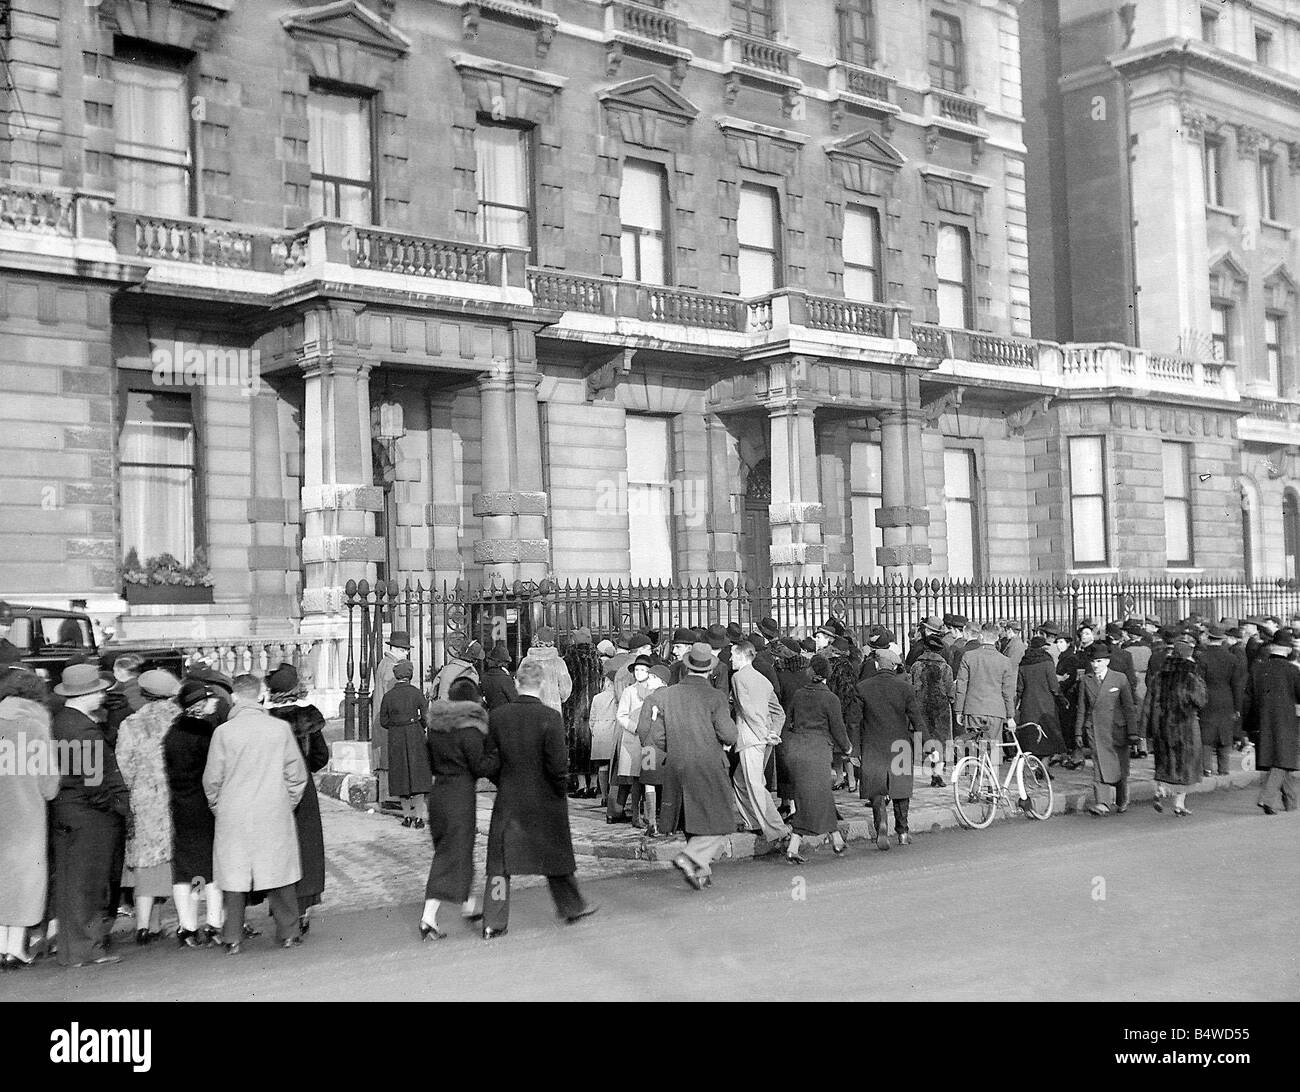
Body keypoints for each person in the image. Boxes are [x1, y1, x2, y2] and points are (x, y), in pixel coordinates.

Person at [479, 660, 598, 938]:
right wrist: (558, 790)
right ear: (542, 684)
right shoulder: (550, 717)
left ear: (517, 683)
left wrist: (504, 781)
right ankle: (571, 906)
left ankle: (493, 923)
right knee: (555, 854)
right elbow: (558, 764)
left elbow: (489, 762)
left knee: (500, 862)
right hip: (544, 797)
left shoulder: (498, 716)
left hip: (509, 796)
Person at [203, 673, 308, 954]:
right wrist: (287, 802)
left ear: (235, 697)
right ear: (260, 694)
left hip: (233, 811)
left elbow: (212, 780)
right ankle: (288, 932)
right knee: (279, 874)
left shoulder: (223, 733)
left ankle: (233, 936)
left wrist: (218, 806)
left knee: (234, 877)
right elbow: (296, 775)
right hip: (273, 808)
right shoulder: (279, 729)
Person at [637, 642, 740, 888]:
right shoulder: (715, 696)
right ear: (708, 670)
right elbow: (729, 735)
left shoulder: (668, 695)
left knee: (690, 818)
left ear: (687, 666)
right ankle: (690, 857)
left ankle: (701, 871)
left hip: (675, 763)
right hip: (707, 763)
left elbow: (658, 738)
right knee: (721, 816)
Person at [50, 663, 129, 967]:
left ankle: (72, 950)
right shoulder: (83, 729)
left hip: (67, 810)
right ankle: (87, 949)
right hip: (91, 817)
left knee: (71, 882)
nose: (103, 695)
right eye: (99, 690)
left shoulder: (60, 722)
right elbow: (94, 782)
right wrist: (114, 806)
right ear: (86, 694)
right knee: (91, 883)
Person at [419, 677, 494, 939]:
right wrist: (498, 758)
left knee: (456, 850)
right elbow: (479, 766)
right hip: (460, 796)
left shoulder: (437, 728)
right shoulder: (471, 729)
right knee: (452, 853)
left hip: (438, 792)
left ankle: (468, 905)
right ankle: (428, 917)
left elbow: (428, 760)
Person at [116, 668, 182, 944]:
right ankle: (177, 921)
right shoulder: (181, 721)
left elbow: (123, 766)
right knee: (175, 862)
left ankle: (144, 924)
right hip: (176, 799)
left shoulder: (130, 724)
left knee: (145, 863)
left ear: (143, 694)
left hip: (143, 802)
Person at [0, 669, 59, 968]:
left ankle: (0, 947)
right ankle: (15, 949)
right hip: (26, 817)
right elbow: (49, 785)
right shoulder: (36, 726)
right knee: (25, 880)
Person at [265, 664, 329, 932]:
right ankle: (302, 909)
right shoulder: (307, 717)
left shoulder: (266, 718)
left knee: (280, 849)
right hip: (303, 789)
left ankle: (282, 908)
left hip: (272, 787)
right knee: (306, 847)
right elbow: (320, 757)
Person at [164, 678, 223, 947]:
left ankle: (187, 924)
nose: (214, 702)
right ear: (199, 704)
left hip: (180, 805)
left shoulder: (172, 734)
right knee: (208, 867)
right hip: (204, 806)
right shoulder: (207, 735)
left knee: (186, 866)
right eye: (209, 699)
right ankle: (213, 921)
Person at [783, 655, 851, 863]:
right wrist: (848, 748)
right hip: (818, 751)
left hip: (796, 750)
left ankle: (836, 840)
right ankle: (794, 847)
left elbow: (789, 721)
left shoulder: (799, 694)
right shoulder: (831, 698)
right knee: (817, 796)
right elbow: (838, 729)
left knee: (812, 795)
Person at [855, 649, 924, 849]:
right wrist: (927, 745)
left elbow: (854, 720)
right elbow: (917, 719)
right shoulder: (905, 688)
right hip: (900, 744)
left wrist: (854, 750)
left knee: (876, 789)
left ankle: (881, 823)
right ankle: (902, 832)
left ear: (877, 666)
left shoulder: (862, 687)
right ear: (894, 666)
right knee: (900, 788)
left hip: (873, 744)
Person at [728, 640, 789, 843]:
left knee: (755, 784)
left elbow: (746, 709)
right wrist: (773, 733)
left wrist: (763, 734)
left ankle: (777, 829)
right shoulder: (764, 680)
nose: (730, 659)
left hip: (751, 739)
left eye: (733, 656)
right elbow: (779, 712)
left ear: (743, 656)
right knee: (740, 780)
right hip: (765, 740)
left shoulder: (738, 677)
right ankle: (752, 822)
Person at [1142, 637, 1207, 817]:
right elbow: (1200, 700)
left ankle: (1161, 790)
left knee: (1165, 763)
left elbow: (1149, 702)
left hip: (1161, 726)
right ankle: (1179, 803)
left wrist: (1145, 729)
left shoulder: (1159, 676)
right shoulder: (1190, 676)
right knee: (1186, 766)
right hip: (1185, 727)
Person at [1242, 627, 1300, 815]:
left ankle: (1291, 804)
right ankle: (1266, 798)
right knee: (1283, 760)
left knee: (1283, 761)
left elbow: (1248, 697)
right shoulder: (1292, 670)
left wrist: (1246, 727)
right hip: (1285, 720)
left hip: (1261, 719)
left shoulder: (1257, 668)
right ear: (1288, 649)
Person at [1075, 644, 1138, 817]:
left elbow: (1128, 707)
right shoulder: (1086, 680)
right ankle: (1102, 802)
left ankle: (1121, 798)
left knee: (1119, 765)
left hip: (1117, 729)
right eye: (1093, 661)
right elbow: (1081, 708)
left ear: (1107, 661)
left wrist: (1133, 732)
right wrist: (1078, 732)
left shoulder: (1119, 679)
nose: (1095, 665)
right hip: (1095, 728)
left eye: (1099, 661)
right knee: (1099, 764)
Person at [955, 623, 1016, 774]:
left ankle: (975, 789)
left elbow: (961, 686)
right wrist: (1010, 715)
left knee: (975, 749)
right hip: (996, 710)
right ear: (996, 639)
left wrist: (958, 710)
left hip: (973, 708)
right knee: (993, 749)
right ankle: (992, 790)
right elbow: (1008, 692)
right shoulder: (1005, 661)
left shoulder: (969, 656)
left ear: (981, 637)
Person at [614, 654, 665, 831]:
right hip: (633, 738)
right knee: (635, 779)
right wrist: (635, 728)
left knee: (648, 778)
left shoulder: (654, 690)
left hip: (650, 741)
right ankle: (636, 814)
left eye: (643, 670)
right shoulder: (629, 691)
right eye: (636, 669)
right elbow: (621, 715)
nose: (639, 673)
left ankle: (648, 814)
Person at [380, 659, 432, 828]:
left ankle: (406, 816)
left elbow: (383, 721)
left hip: (396, 736)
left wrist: (396, 725)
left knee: (400, 774)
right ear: (410, 674)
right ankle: (418, 817)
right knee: (417, 774)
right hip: (414, 734)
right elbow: (426, 717)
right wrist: (418, 726)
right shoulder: (416, 693)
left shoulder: (388, 696)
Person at [1195, 624, 1245, 777]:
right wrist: (1237, 707)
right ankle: (1224, 769)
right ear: (1223, 639)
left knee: (1207, 735)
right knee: (1225, 734)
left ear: (1209, 638)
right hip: (1227, 698)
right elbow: (1237, 684)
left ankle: (1206, 768)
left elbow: (1198, 682)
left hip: (1207, 698)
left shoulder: (1202, 657)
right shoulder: (1232, 658)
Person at [910, 619, 955, 787]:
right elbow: (951, 692)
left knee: (925, 737)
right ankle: (937, 773)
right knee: (941, 739)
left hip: (921, 706)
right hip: (941, 707)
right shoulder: (946, 668)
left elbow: (913, 687)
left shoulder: (916, 665)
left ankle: (930, 768)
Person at [562, 628, 604, 797]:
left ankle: (581, 785)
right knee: (592, 745)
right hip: (594, 704)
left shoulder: (569, 658)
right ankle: (594, 784)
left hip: (575, 707)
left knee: (577, 745)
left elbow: (567, 684)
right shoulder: (597, 658)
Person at [371, 631, 412, 802]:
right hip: (389, 719)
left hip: (382, 717)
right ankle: (390, 797)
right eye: (403, 650)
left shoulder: (385, 663)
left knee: (386, 757)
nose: (406, 653)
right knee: (389, 757)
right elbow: (394, 697)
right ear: (395, 649)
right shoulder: (391, 668)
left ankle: (387, 796)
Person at [1014, 635, 1066, 762]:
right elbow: (1054, 687)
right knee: (1049, 737)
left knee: (1032, 738)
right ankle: (1045, 767)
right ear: (1042, 648)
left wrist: (1015, 706)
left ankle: (1037, 766)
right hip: (1046, 705)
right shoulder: (1047, 663)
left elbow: (1019, 689)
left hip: (1028, 706)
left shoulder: (1023, 664)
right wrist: (1062, 700)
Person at [520, 626, 573, 713]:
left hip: (530, 709)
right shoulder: (559, 662)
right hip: (553, 709)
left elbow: (520, 685)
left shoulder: (526, 661)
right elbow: (565, 689)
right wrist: (557, 697)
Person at [587, 667, 619, 807]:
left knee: (602, 767)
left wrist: (595, 731)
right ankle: (612, 797)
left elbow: (592, 719)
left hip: (599, 732)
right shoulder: (617, 697)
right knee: (613, 767)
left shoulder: (597, 697)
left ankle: (604, 796)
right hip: (612, 731)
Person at [429, 635, 478, 701]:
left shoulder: (446, 669)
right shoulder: (472, 673)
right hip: (461, 708)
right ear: (474, 659)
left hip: (443, 706)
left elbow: (432, 692)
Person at [480, 643, 518, 711]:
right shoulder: (505, 679)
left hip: (491, 714)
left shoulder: (484, 677)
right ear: (504, 663)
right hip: (505, 714)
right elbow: (514, 700)